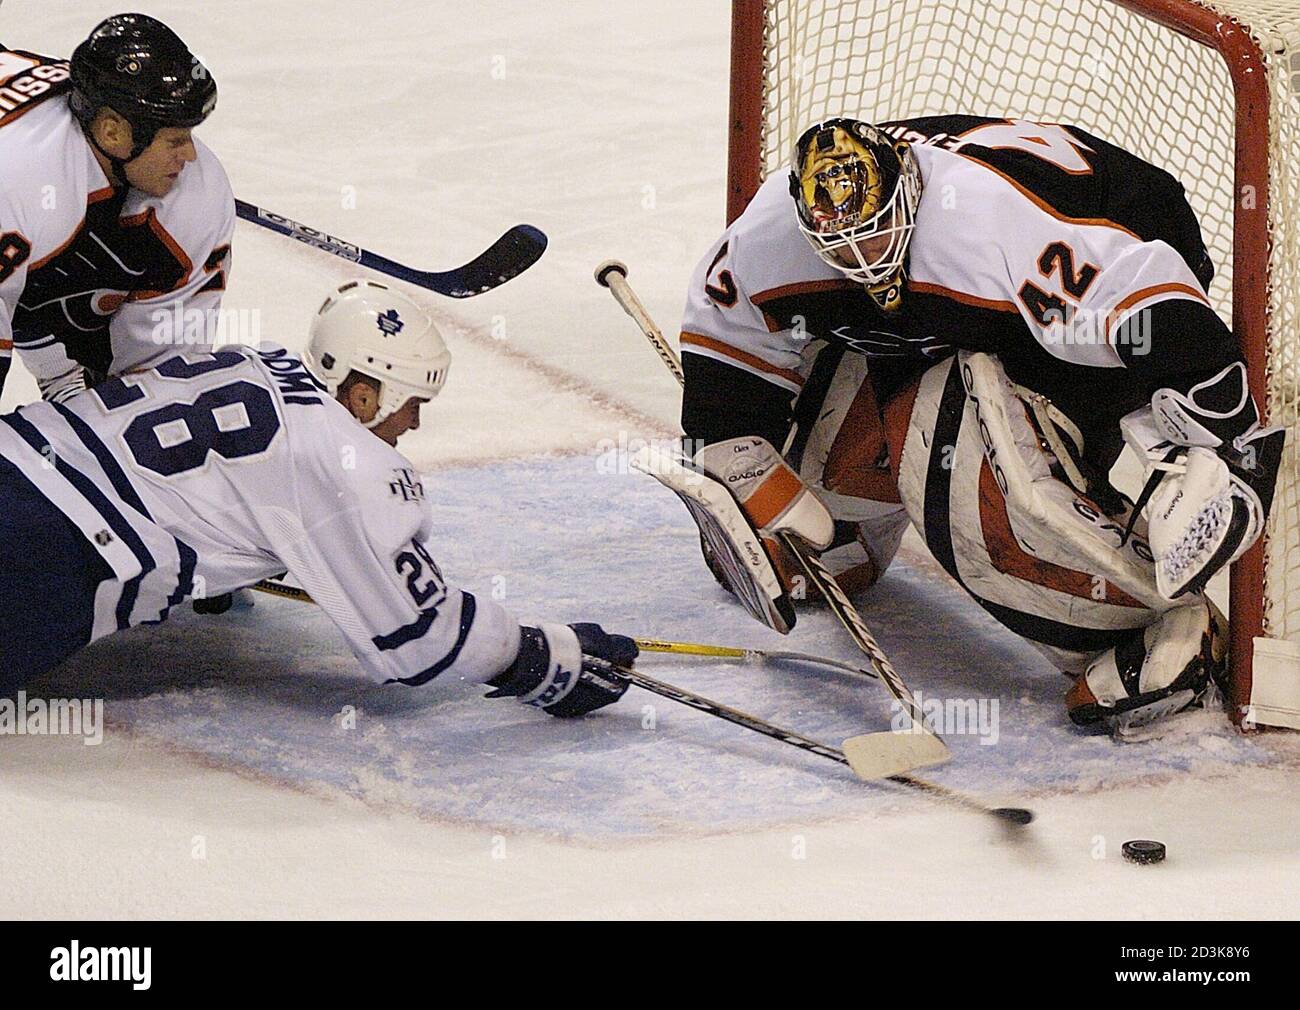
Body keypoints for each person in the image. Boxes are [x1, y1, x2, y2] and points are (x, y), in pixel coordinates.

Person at [672, 115, 1284, 731]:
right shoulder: (770, 236)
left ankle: (1163, 619)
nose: (862, 257)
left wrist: (1224, 428)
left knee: (959, 468)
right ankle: (855, 529)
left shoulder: (983, 223)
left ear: (908, 190)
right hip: (962, 302)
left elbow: (1138, 293)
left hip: (1117, 235)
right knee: (815, 520)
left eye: (877, 234)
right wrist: (733, 453)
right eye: (839, 244)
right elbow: (724, 341)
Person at [0, 277, 636, 718]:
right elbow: (417, 638)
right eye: (412, 403)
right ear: (364, 393)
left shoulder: (253, 360)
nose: (413, 424)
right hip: (40, 558)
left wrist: (218, 558)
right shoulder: (342, 458)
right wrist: (539, 658)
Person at [0, 13, 233, 404]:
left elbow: (161, 392)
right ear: (112, 131)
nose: (190, 155)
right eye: (174, 140)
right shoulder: (23, 179)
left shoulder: (197, 197)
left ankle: (61, 370)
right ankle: (58, 368)